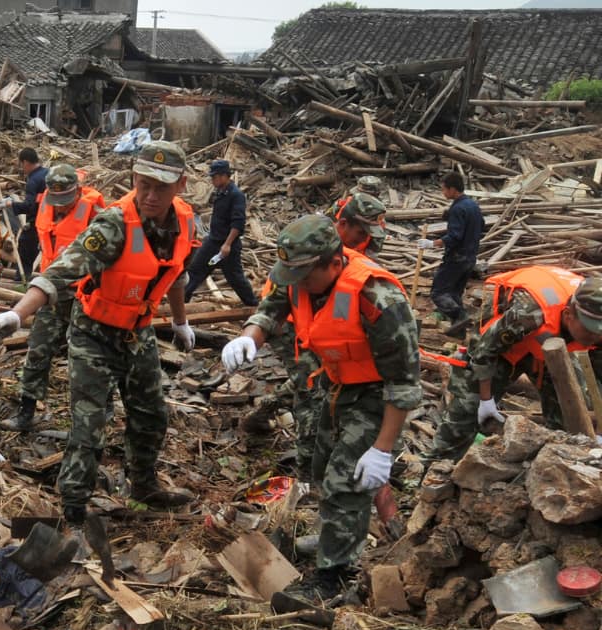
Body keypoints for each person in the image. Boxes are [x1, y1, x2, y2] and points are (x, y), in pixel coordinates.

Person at [0, 141, 198, 522]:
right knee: (90, 425)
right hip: (93, 333)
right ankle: (74, 509)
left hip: (138, 330)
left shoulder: (184, 221)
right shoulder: (114, 224)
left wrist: (180, 322)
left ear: (180, 185)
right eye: (143, 184)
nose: (150, 195)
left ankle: (144, 486)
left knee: (151, 415)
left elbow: (175, 274)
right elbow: (61, 271)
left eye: (160, 187)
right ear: (133, 178)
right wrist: (18, 314)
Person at [221, 215, 420, 603]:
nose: (296, 284)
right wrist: (250, 337)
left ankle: (332, 579)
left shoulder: (377, 298)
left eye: (304, 277)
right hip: (334, 384)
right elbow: (272, 307)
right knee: (321, 467)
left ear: (333, 263)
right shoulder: (299, 274)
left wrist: (382, 449)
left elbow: (404, 383)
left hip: (377, 395)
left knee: (346, 480)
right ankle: (337, 539)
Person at [425, 267, 602, 461]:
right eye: (589, 331)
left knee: (574, 405)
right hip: (502, 347)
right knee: (467, 410)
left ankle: (560, 458)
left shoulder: (595, 329)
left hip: (552, 348)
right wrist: (485, 399)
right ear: (568, 315)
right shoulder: (528, 313)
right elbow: (483, 352)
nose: (595, 337)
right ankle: (438, 463)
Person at [4, 163, 107, 431]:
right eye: (56, 199)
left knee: (85, 359)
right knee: (38, 348)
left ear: (78, 191)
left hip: (84, 295)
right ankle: (26, 412)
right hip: (51, 291)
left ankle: (90, 420)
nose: (61, 206)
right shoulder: (45, 206)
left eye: (66, 199)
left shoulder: (96, 213)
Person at [184, 159, 255, 306]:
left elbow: (238, 223)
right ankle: (181, 302)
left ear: (224, 176)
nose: (212, 180)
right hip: (212, 242)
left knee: (235, 278)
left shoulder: (236, 195)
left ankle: (253, 306)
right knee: (195, 271)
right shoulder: (220, 192)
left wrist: (227, 245)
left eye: (214, 177)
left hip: (227, 246)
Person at [425, 171, 483, 336]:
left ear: (452, 189)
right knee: (454, 292)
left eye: (444, 189)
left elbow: (455, 236)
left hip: (456, 257)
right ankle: (459, 331)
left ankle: (460, 316)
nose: (443, 193)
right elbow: (480, 225)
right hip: (470, 257)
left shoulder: (458, 208)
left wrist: (432, 243)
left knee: (438, 292)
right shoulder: (473, 205)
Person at [3, 147, 47, 278]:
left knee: (25, 249)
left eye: (21, 164)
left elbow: (29, 206)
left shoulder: (33, 180)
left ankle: (21, 280)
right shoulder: (47, 173)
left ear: (26, 162)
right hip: (51, 220)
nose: (22, 168)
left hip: (37, 222)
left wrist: (11, 204)